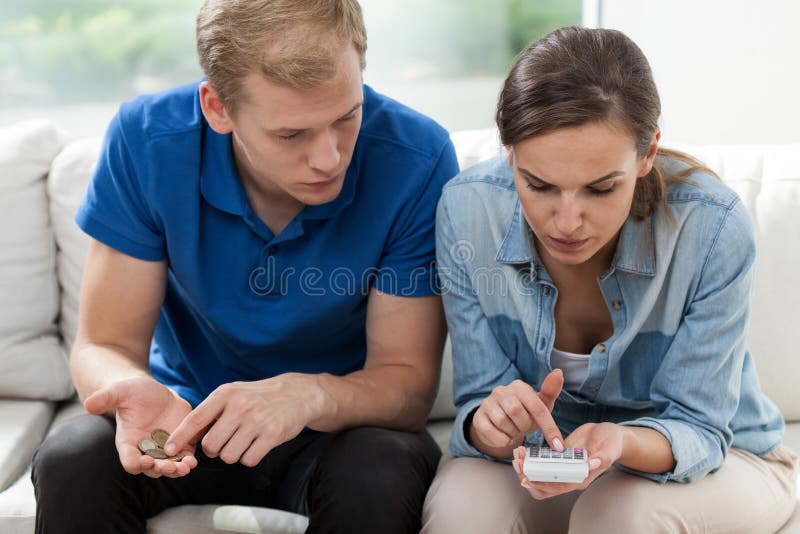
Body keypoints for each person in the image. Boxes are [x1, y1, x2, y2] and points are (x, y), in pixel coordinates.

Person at [31, 1, 459, 533]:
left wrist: (307, 395)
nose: (329, 158)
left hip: (339, 429)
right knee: (73, 454)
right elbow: (104, 345)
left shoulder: (417, 157)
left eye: (346, 117)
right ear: (218, 108)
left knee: (380, 469)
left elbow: (407, 383)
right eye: (291, 134)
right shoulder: (146, 141)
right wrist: (134, 387)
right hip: (184, 421)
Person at [422, 26, 798, 534]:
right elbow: (477, 402)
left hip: (722, 459)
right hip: (549, 460)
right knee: (462, 512)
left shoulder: (712, 227)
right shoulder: (468, 210)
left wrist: (619, 441)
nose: (567, 221)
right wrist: (492, 425)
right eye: (539, 185)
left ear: (647, 154)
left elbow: (702, 427)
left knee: (618, 513)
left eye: (600, 188)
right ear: (509, 153)